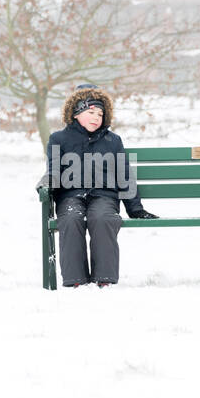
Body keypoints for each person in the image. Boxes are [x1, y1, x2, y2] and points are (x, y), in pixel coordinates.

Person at [36, 84, 159, 288]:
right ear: (75, 114)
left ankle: (104, 279)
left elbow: (124, 175)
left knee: (103, 218)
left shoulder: (112, 141)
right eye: (91, 112)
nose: (96, 117)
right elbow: (54, 169)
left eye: (100, 114)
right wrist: (48, 182)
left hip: (104, 196)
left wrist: (135, 209)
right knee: (71, 218)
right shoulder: (59, 139)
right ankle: (76, 281)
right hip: (70, 196)